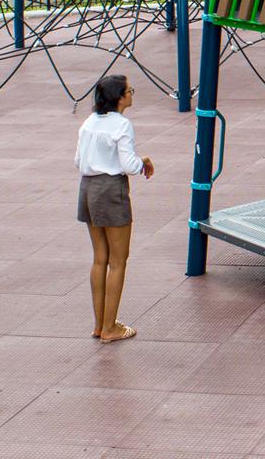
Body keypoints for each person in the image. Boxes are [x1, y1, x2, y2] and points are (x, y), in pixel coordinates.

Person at [78, 74, 153, 344]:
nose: (132, 94)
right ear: (120, 98)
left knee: (100, 258)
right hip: (111, 190)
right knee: (118, 261)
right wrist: (143, 161)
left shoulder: (89, 122)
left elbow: (78, 159)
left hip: (87, 188)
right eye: (129, 91)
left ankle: (100, 324)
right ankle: (111, 328)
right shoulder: (122, 124)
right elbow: (129, 165)